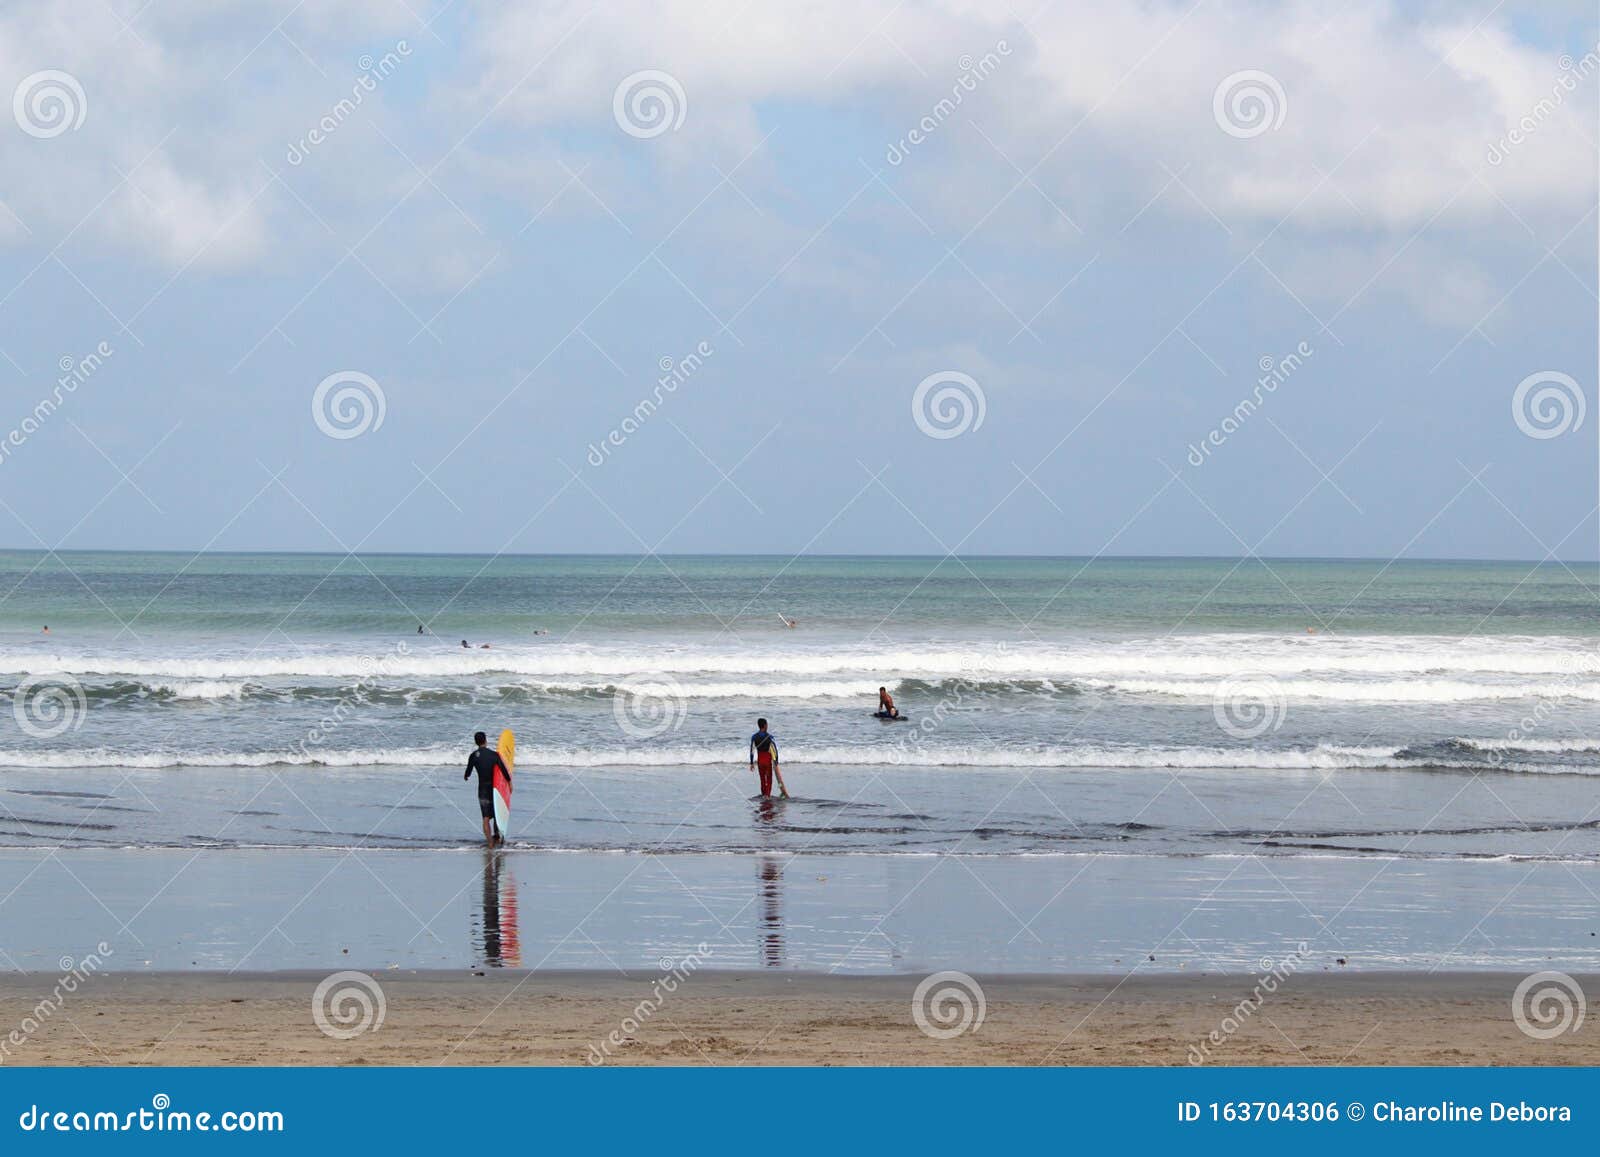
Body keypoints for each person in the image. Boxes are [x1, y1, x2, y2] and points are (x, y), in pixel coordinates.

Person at [464, 731, 510, 847]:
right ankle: (497, 837)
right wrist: (509, 783)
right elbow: (503, 770)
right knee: (496, 814)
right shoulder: (494, 755)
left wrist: (466, 776)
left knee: (485, 818)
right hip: (494, 789)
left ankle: (490, 843)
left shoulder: (473, 756)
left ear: (476, 742)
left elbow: (468, 773)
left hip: (482, 790)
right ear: (485, 740)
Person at [749, 718, 780, 798]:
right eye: (767, 724)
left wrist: (751, 763)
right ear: (765, 725)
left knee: (762, 779)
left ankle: (763, 794)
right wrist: (776, 761)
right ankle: (767, 796)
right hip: (767, 760)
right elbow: (774, 750)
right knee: (769, 779)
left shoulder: (754, 737)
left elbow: (752, 750)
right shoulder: (770, 737)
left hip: (760, 760)